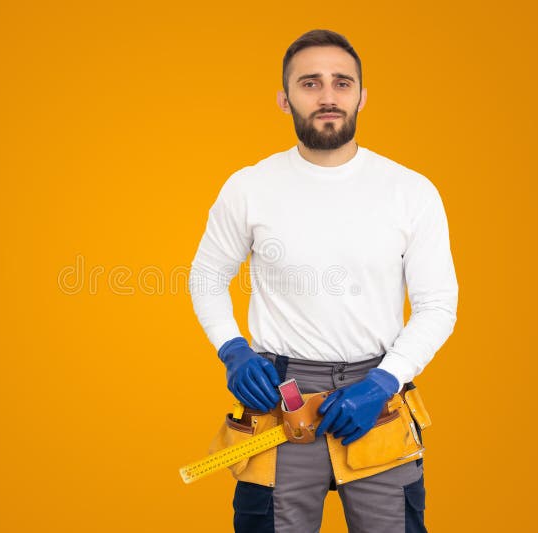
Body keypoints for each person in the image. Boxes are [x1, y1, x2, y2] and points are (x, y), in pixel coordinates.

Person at [188, 29, 458, 533]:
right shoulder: (249, 187)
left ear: (361, 96)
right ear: (284, 98)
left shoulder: (410, 191)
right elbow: (207, 276)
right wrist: (233, 350)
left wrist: (383, 381)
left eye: (342, 83)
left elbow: (438, 304)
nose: (328, 96)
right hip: (278, 402)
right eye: (310, 83)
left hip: (375, 406)